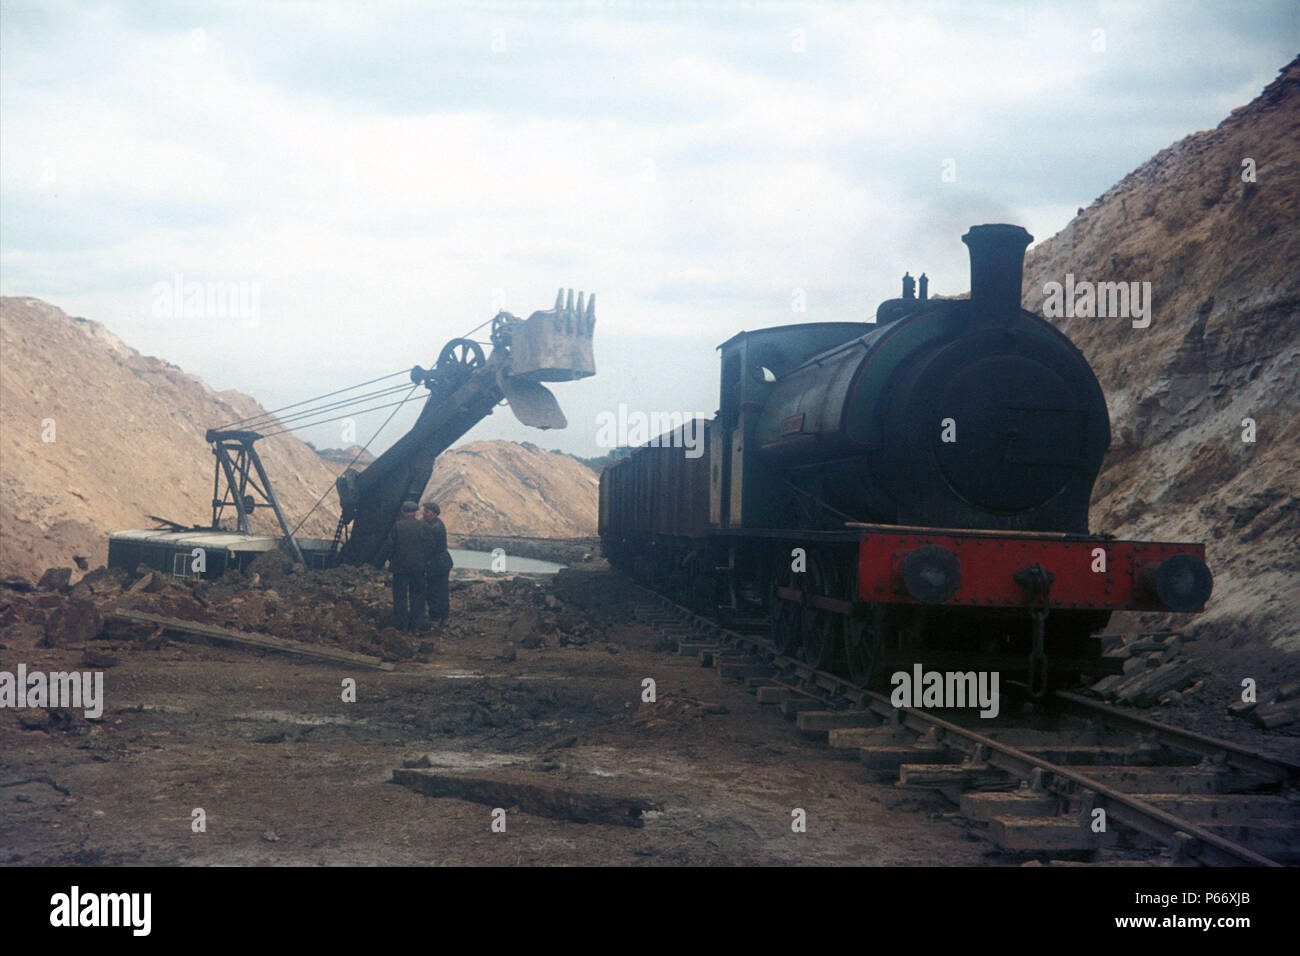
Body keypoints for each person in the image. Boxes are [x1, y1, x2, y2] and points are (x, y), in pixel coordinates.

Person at [383, 499, 433, 632]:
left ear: (403, 512)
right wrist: (424, 561)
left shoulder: (397, 526)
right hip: (419, 568)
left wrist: (392, 559)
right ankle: (417, 624)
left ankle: (401, 625)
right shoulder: (424, 526)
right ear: (416, 512)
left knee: (400, 597)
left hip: (400, 568)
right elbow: (430, 547)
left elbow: (389, 547)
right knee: (417, 595)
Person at [421, 500, 453, 626]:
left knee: (433, 590)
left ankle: (435, 617)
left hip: (437, 564)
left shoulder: (434, 528)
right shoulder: (437, 524)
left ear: (432, 513)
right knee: (442, 589)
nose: (424, 514)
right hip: (443, 562)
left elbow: (429, 547)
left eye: (426, 511)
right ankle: (444, 615)